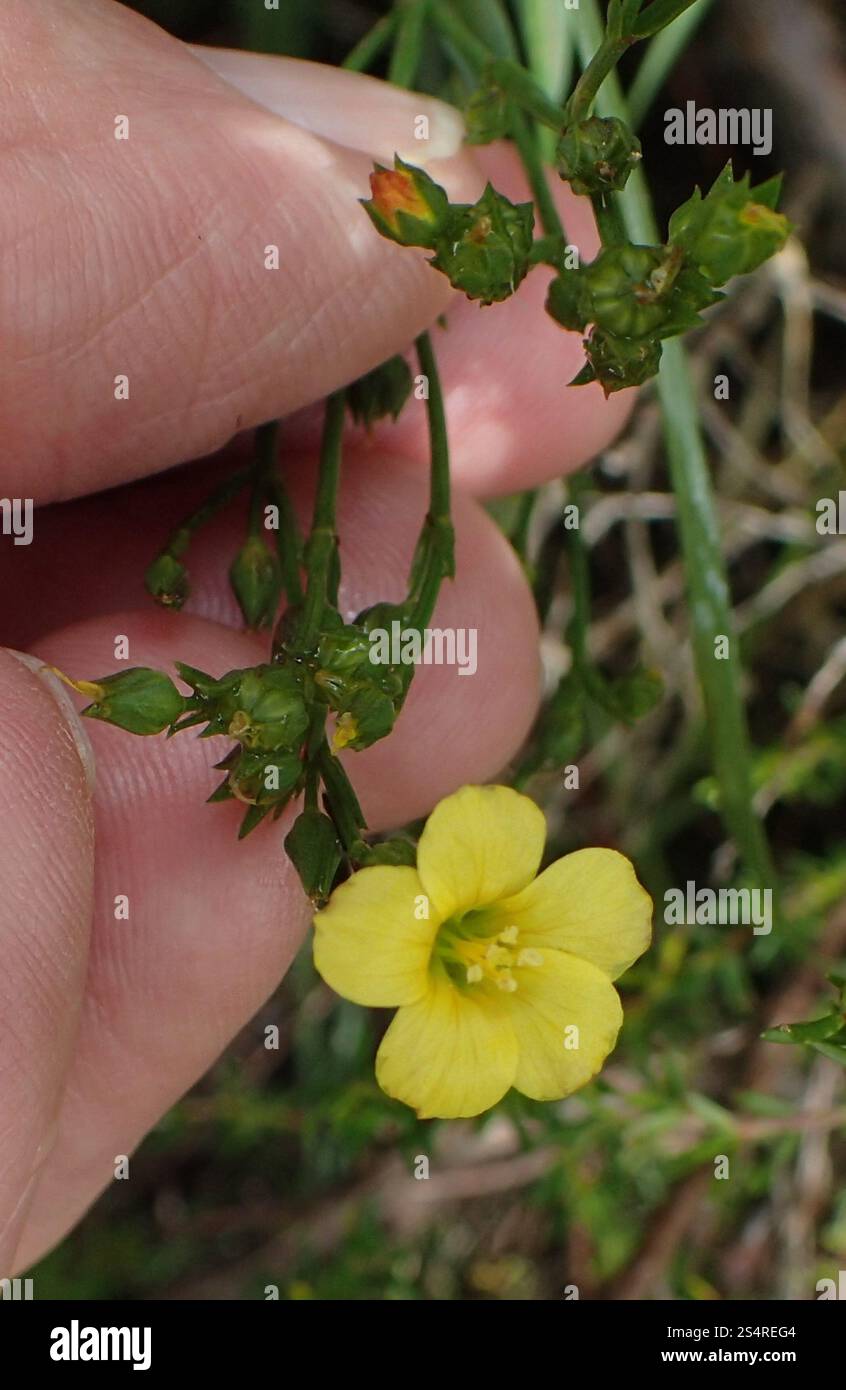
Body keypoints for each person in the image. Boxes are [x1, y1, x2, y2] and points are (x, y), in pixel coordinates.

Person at [0, 0, 631, 1274]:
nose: (489, 949)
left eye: (472, 951)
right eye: (482, 944)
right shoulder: (478, 850)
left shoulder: (457, 887)